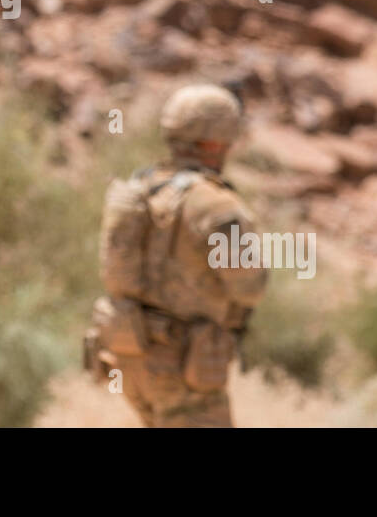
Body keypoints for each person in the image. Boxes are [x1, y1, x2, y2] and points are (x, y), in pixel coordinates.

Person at [85, 84, 267, 427]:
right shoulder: (216, 205)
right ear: (217, 141)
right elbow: (249, 287)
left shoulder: (142, 186)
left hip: (128, 352)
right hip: (183, 366)